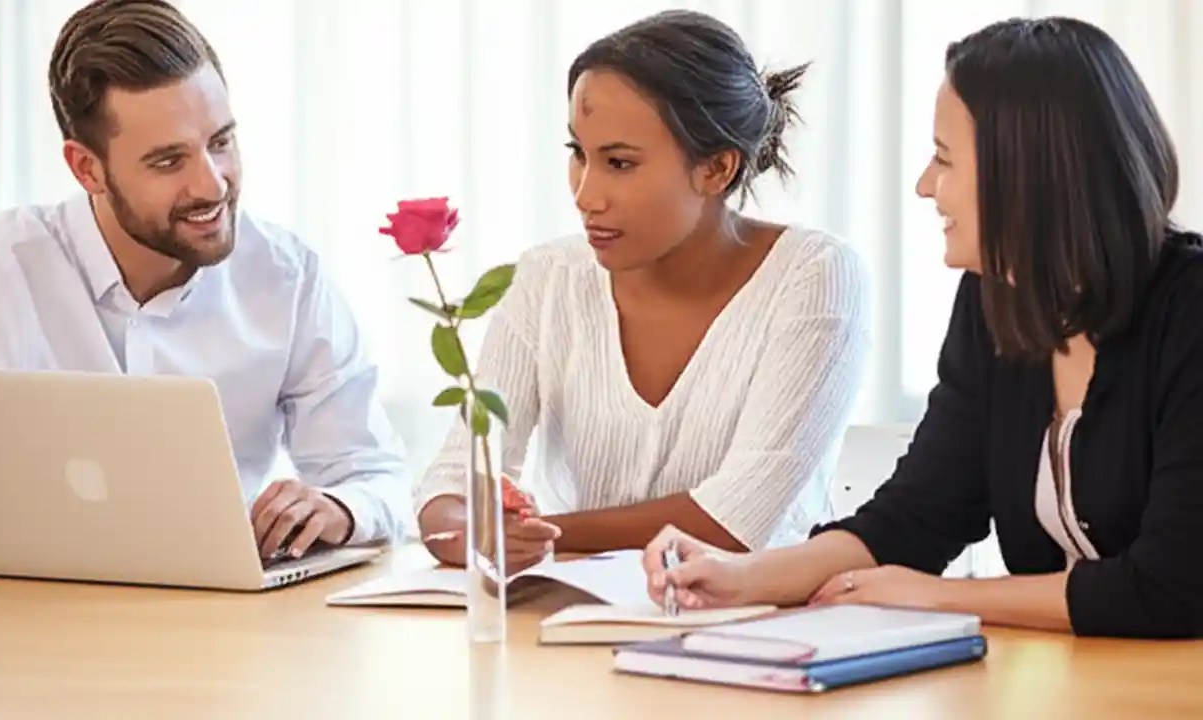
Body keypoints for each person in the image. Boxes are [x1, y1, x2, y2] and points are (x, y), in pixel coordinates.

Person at [642, 17, 1203, 639]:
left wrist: (934, 597)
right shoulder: (997, 299)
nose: (924, 186)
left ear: (1028, 170)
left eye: (943, 159)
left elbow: (1175, 586)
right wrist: (742, 575)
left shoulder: (1189, 311)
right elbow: (919, 515)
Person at [0, 0, 412, 559]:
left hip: (226, 626)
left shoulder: (287, 277)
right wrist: (96, 524)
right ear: (87, 168)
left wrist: (339, 508)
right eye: (167, 161)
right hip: (32, 618)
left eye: (220, 142)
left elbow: (378, 477)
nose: (212, 185)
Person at [417, 10, 870, 573]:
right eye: (578, 153)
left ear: (716, 169)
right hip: (574, 623)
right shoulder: (545, 279)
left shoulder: (816, 276)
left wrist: (535, 535)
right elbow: (452, 479)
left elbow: (733, 523)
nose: (586, 194)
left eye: (619, 162)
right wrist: (464, 525)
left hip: (759, 632)